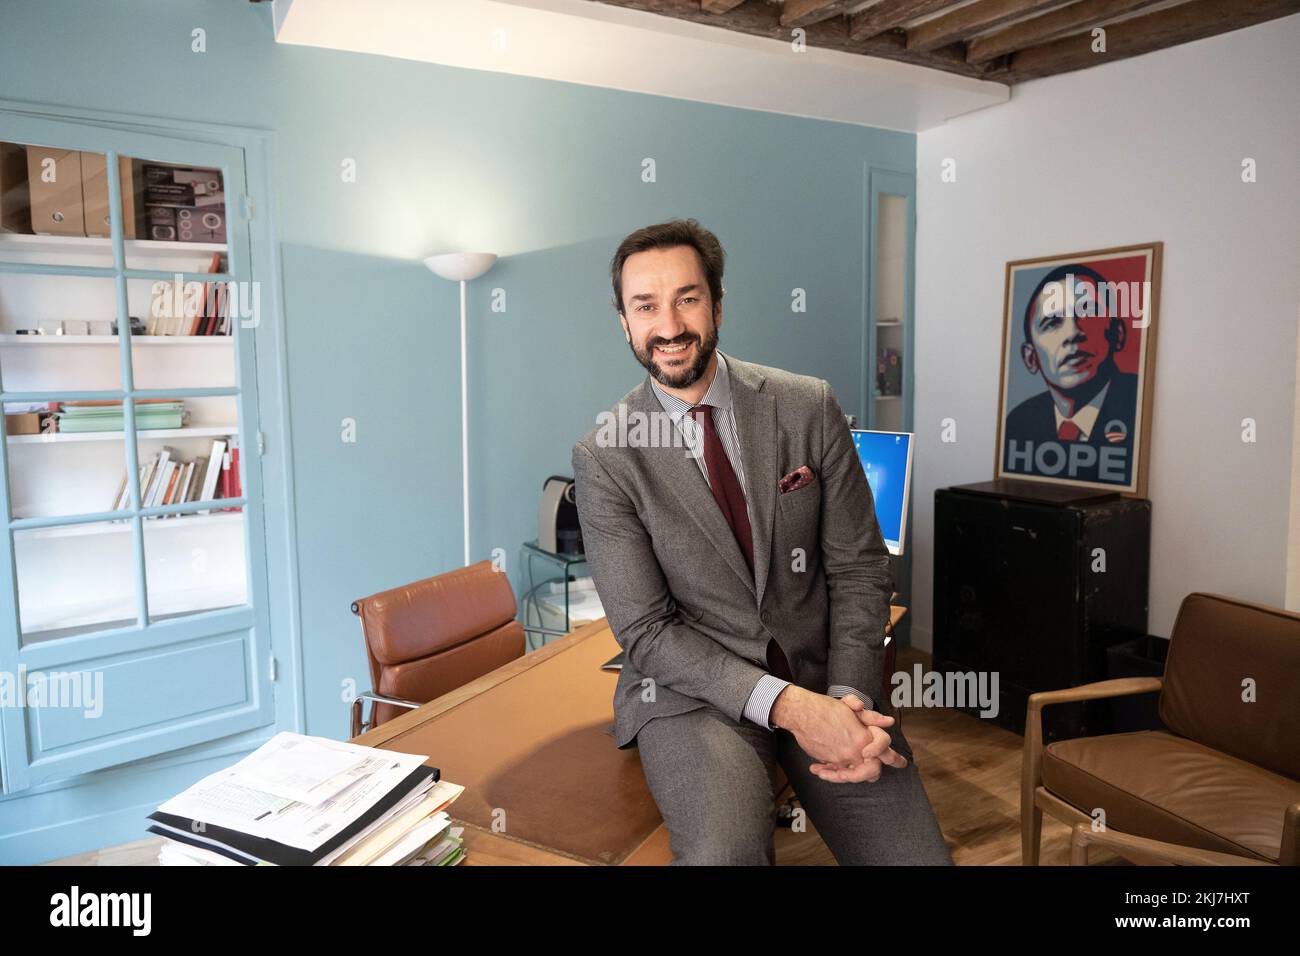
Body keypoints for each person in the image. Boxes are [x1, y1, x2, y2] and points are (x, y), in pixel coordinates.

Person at [570, 218, 951, 865]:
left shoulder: (807, 405)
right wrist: (792, 710)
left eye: (687, 298)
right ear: (625, 323)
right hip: (694, 696)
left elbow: (859, 567)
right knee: (728, 855)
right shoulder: (605, 455)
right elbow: (647, 631)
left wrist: (849, 698)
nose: (669, 324)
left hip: (828, 676)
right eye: (646, 306)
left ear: (717, 304)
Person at [1003, 263, 1140, 486]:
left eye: (1088, 313)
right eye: (1051, 323)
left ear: (1118, 334)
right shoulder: (1019, 423)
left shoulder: (1139, 408)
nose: (1073, 333)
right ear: (1031, 358)